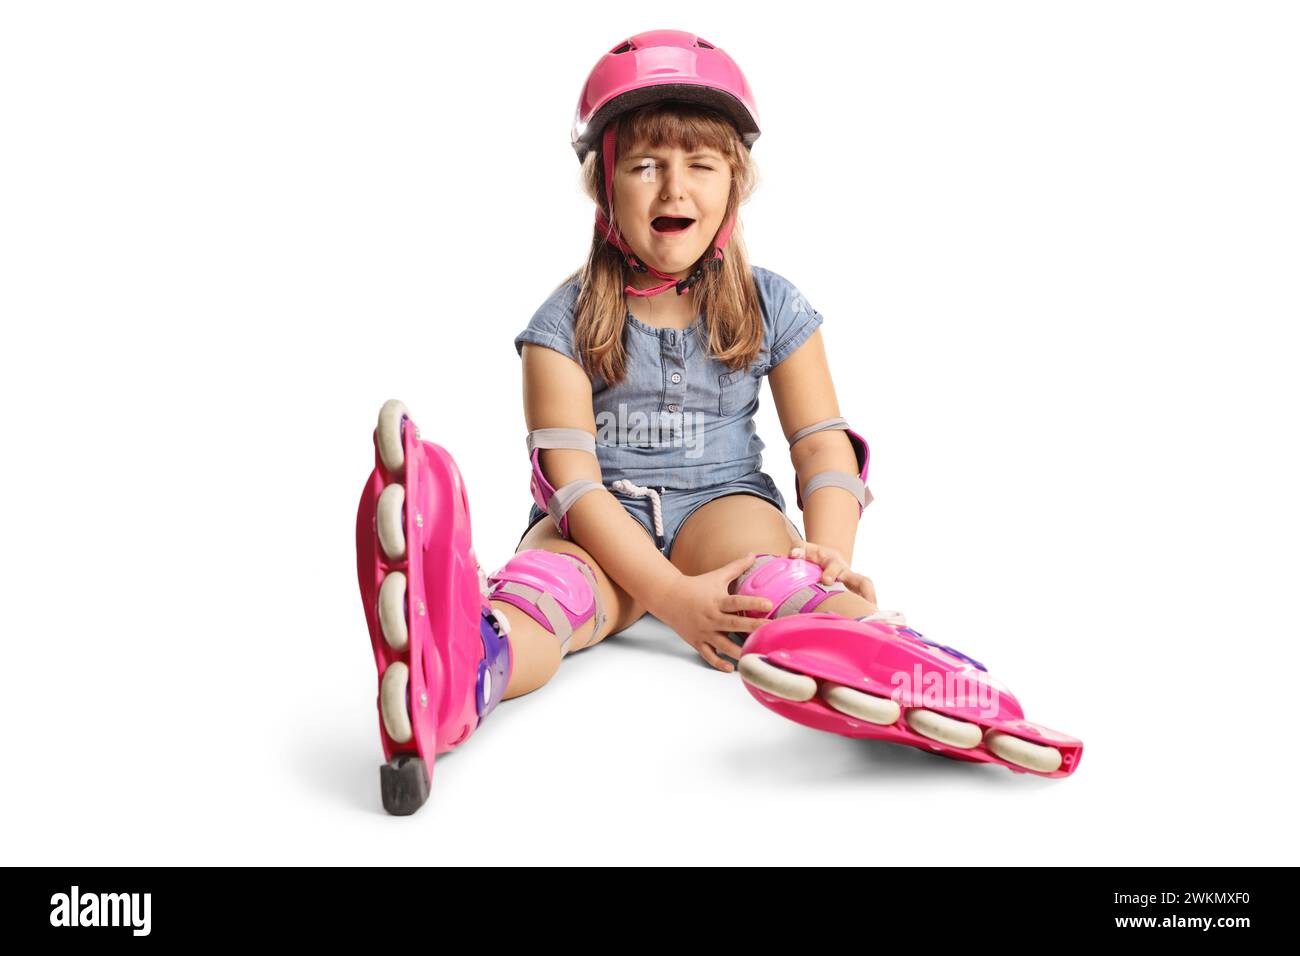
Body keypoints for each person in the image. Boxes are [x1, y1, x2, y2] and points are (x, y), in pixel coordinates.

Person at [355, 30, 1079, 815]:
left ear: (736, 184)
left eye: (700, 165)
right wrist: (670, 596)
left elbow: (823, 449)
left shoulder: (774, 305)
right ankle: (461, 667)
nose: (675, 187)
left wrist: (830, 553)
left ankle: (909, 669)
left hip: (722, 508)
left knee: (783, 582)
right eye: (645, 165)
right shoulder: (557, 325)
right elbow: (574, 489)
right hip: (598, 526)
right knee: (547, 593)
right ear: (605, 188)